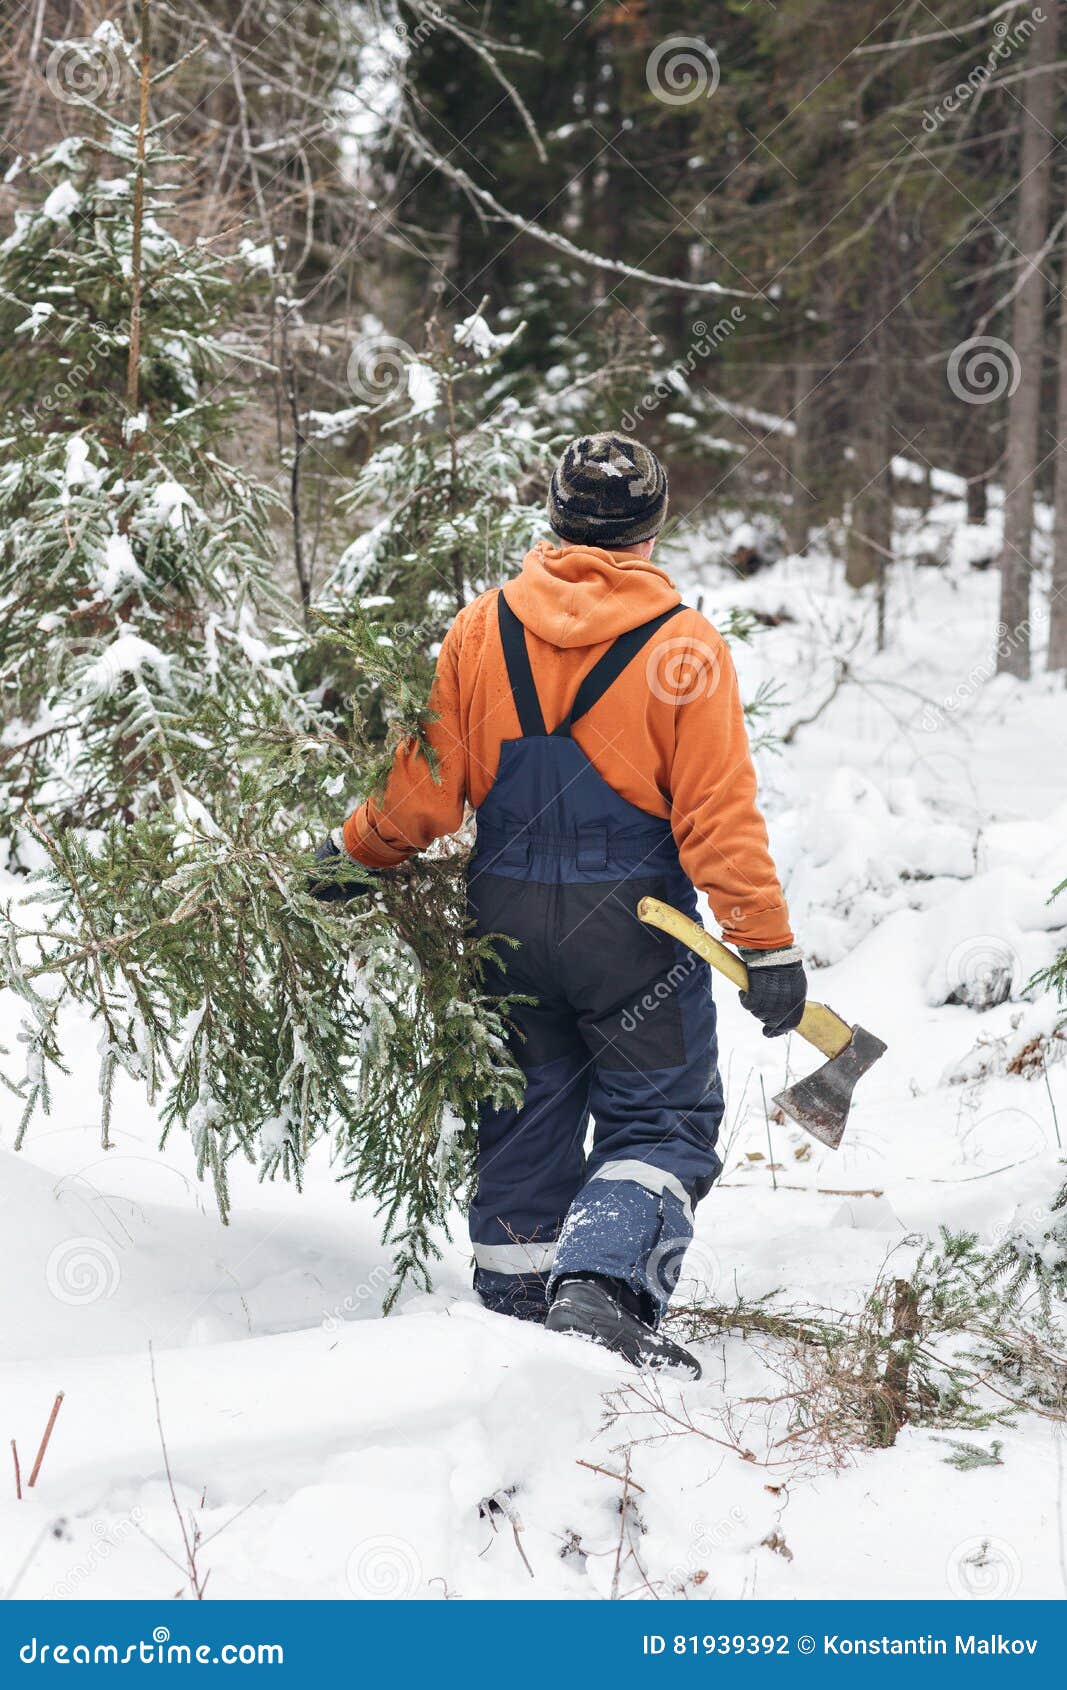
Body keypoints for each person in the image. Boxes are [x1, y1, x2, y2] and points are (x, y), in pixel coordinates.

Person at [313, 433, 805, 1377]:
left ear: (554, 515)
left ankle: (512, 1314)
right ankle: (604, 1287)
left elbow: (425, 788)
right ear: (652, 527)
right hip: (631, 928)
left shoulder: (479, 628)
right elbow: (716, 813)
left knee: (526, 1104)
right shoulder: (682, 646)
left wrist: (358, 854)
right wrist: (764, 943)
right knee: (660, 1118)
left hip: (500, 916)